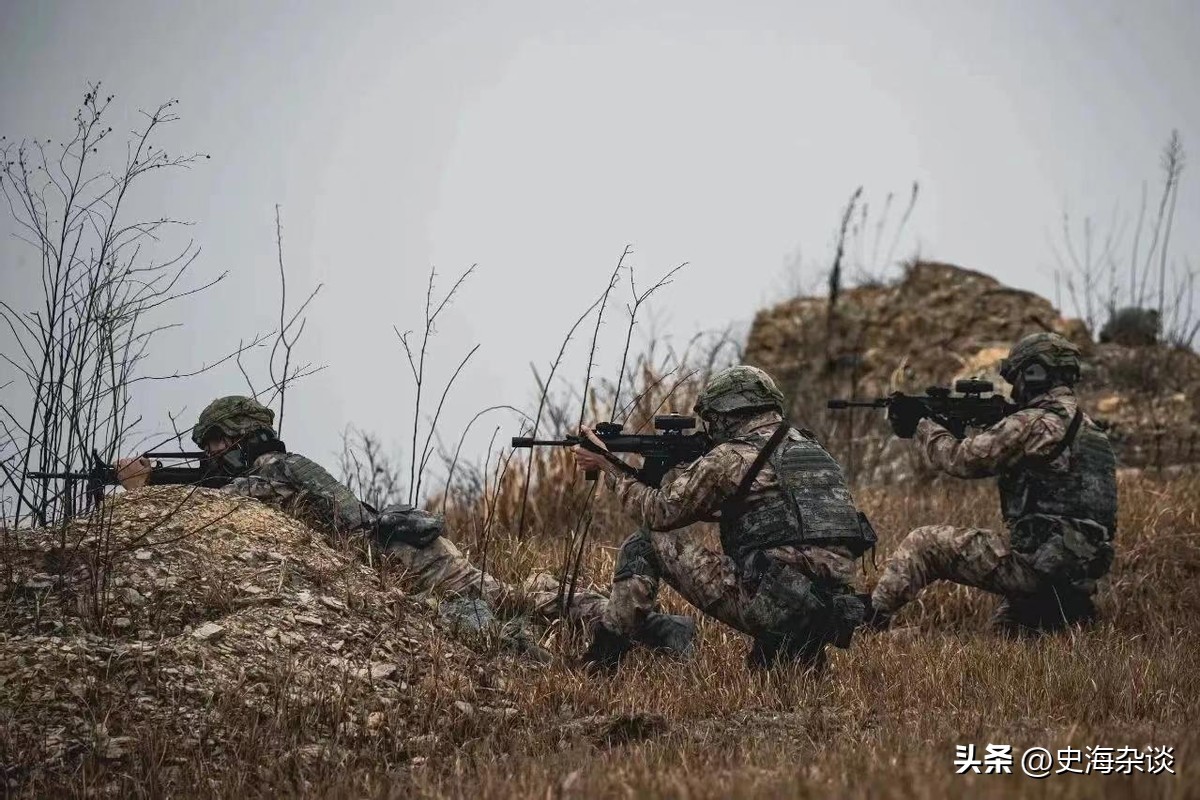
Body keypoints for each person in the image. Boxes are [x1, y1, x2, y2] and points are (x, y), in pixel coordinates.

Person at [115, 395, 636, 660]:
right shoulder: (287, 467)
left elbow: (227, 508)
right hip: (416, 552)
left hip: (408, 563)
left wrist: (151, 491)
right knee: (510, 596)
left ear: (244, 439)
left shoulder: (273, 472)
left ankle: (557, 656)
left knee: (479, 622)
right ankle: (620, 620)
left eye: (217, 444)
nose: (212, 456)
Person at [572, 365, 874, 672]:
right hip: (831, 609)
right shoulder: (814, 451)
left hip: (774, 603)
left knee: (646, 543)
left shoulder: (731, 457)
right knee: (775, 675)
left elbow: (657, 511)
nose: (709, 428)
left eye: (712, 420)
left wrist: (607, 464)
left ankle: (602, 659)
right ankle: (797, 654)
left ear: (727, 414)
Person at [867, 332, 1118, 634]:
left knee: (925, 543)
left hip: (1037, 565)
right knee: (1005, 639)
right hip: (1076, 573)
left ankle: (867, 622)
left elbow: (962, 460)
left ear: (1034, 373)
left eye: (1017, 377)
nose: (1015, 388)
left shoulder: (1034, 422)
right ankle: (1068, 613)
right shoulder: (1090, 429)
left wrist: (924, 425)